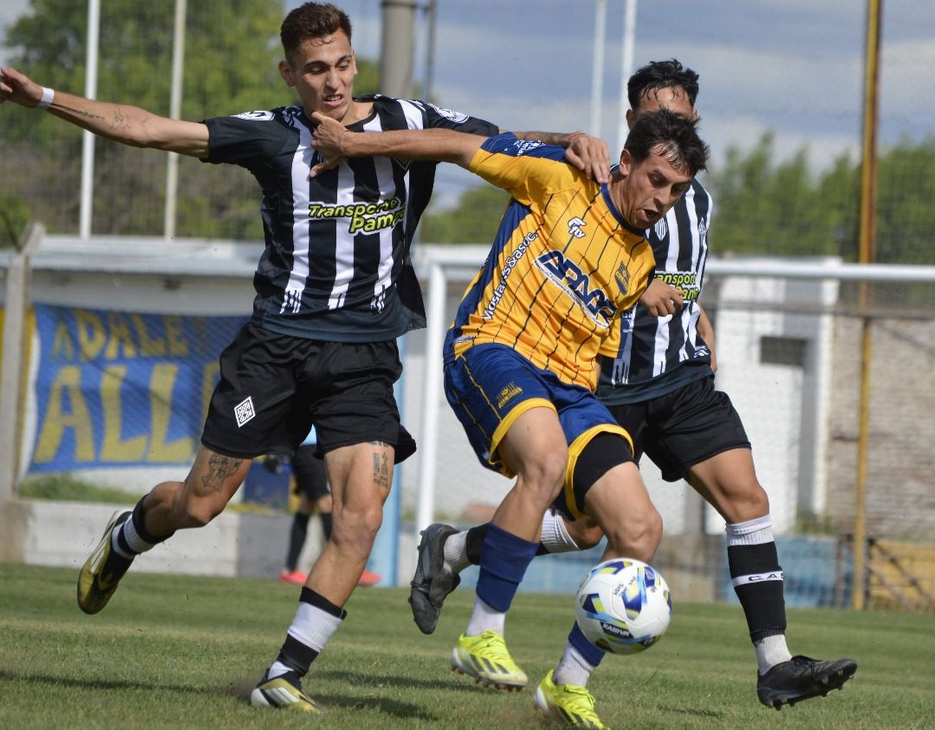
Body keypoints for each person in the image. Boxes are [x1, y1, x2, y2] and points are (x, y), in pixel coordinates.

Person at [0, 2, 607, 713]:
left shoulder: (406, 121)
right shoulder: (271, 136)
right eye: (316, 69)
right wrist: (42, 97)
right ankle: (130, 533)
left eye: (343, 64)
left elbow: (498, 141)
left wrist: (574, 140)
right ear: (291, 73)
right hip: (276, 354)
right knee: (199, 504)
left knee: (362, 512)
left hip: (364, 358)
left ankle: (281, 676)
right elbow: (149, 129)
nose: (334, 82)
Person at [405, 59, 857, 716]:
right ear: (631, 130)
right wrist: (564, 140)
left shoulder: (695, 195)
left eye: (676, 118)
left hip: (681, 382)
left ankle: (775, 661)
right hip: (609, 381)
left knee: (745, 496)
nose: (666, 136)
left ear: (694, 123)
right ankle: (458, 549)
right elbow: (603, 259)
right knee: (588, 530)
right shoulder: (599, 179)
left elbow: (673, 278)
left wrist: (695, 312)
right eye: (653, 120)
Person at [310, 105, 708, 728]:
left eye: (677, 191)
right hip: (491, 347)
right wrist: (353, 145)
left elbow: (596, 357)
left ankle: (567, 685)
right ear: (627, 162)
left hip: (570, 389)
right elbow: (452, 143)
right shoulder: (557, 177)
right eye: (657, 180)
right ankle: (482, 634)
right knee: (545, 460)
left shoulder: (638, 263)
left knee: (639, 530)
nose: (664, 198)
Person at [278, 427, 381, 587]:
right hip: (307, 447)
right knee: (325, 502)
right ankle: (346, 566)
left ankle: (289, 569)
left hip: (317, 446)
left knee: (307, 505)